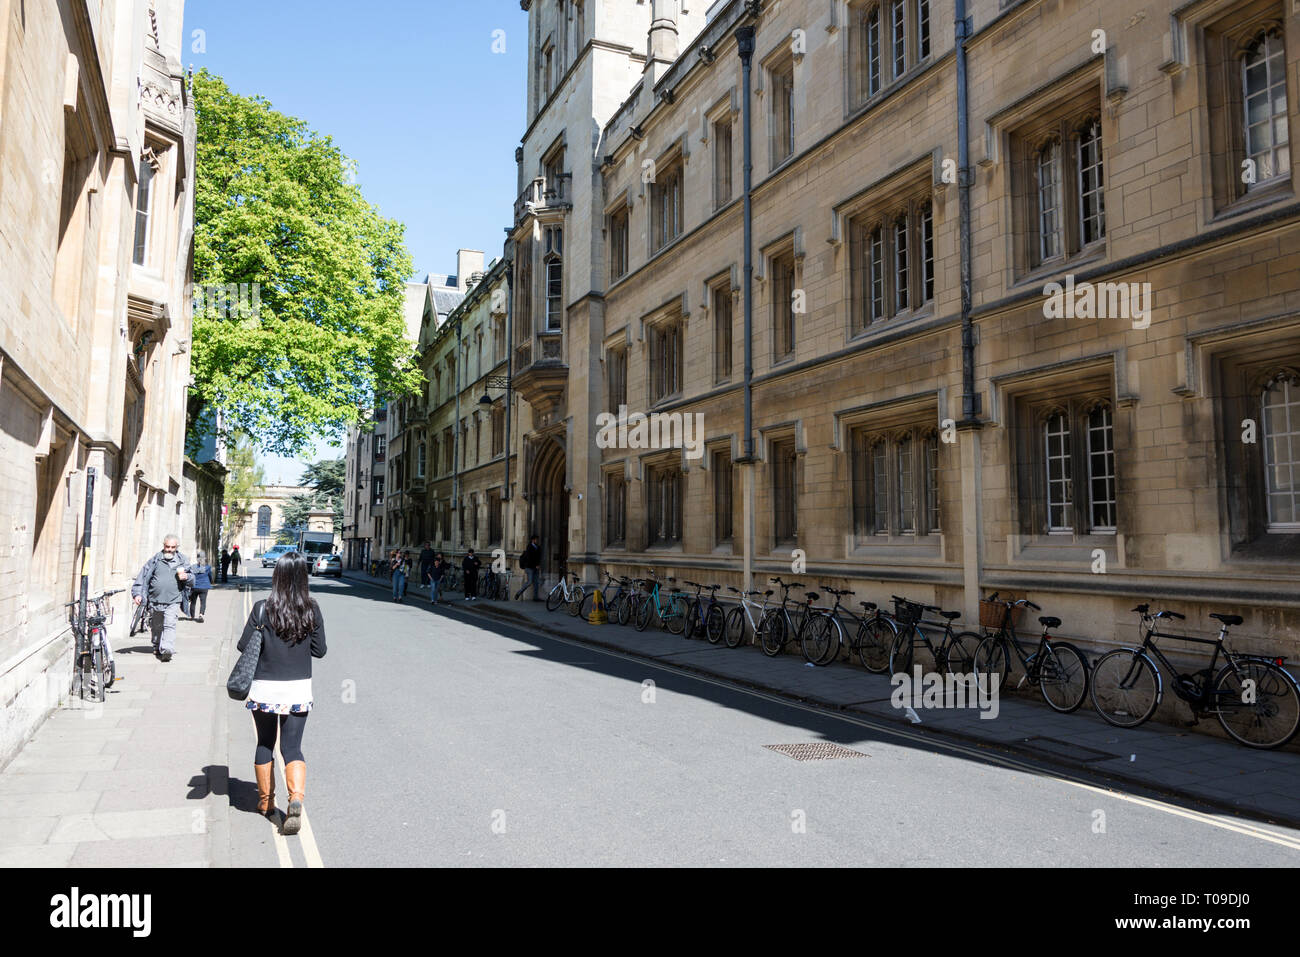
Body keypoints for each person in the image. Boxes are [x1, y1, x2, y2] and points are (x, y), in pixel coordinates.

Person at [237, 552, 327, 835]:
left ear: (277, 576)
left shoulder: (262, 608)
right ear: (303, 577)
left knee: (265, 742)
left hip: (264, 687)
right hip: (298, 688)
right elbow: (319, 650)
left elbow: (243, 646)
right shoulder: (311, 609)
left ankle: (266, 802)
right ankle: (296, 798)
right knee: (292, 747)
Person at [131, 535, 192, 662]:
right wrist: (137, 593)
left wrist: (187, 577)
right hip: (155, 599)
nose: (169, 549)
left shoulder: (182, 561)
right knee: (157, 626)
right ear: (163, 545)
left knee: (170, 624)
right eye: (167, 546)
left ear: (177, 547)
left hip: (174, 600)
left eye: (172, 547)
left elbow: (192, 579)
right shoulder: (155, 560)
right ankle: (157, 645)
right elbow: (142, 577)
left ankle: (167, 649)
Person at [189, 550, 214, 622]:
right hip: (204, 587)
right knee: (203, 602)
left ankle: (192, 616)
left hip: (194, 587)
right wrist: (211, 582)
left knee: (193, 602)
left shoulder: (193, 567)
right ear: (205, 558)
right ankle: (201, 615)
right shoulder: (208, 567)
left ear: (197, 558)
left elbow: (190, 576)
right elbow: (210, 576)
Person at [515, 534, 542, 601]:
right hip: (529, 567)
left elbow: (538, 558)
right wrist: (535, 565)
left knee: (536, 582)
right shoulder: (529, 547)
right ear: (533, 540)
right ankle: (518, 593)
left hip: (536, 567)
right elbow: (529, 558)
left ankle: (535, 597)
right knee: (529, 582)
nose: (537, 540)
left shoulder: (538, 547)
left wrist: (538, 565)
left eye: (537, 539)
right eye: (536, 539)